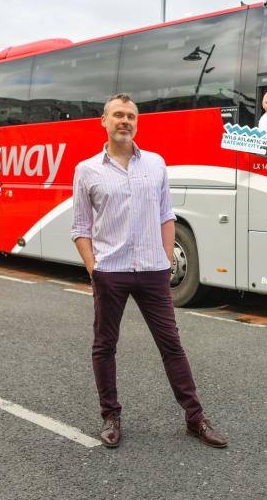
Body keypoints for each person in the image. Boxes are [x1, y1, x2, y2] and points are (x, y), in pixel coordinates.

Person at [71, 93, 227, 450]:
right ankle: (110, 415)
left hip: (154, 271)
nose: (125, 121)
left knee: (171, 345)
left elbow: (166, 215)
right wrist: (94, 268)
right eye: (118, 115)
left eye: (131, 116)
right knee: (105, 346)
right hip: (111, 271)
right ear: (104, 121)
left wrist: (167, 260)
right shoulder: (87, 170)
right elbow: (80, 228)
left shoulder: (156, 164)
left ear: (137, 122)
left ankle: (195, 418)